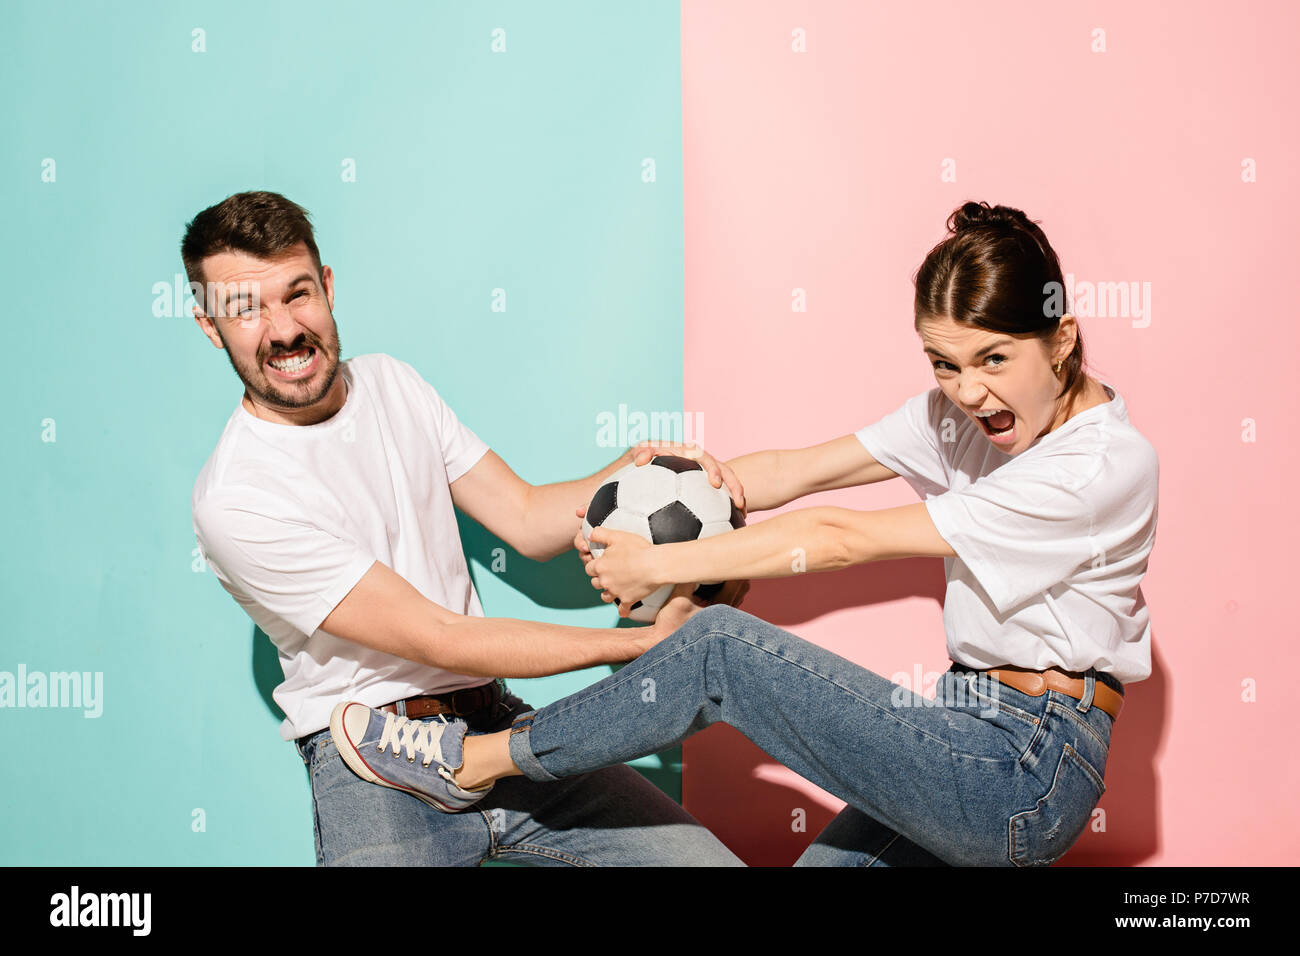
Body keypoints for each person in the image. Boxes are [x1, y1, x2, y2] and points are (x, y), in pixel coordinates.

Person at [331, 200, 1159, 866]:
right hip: (956, 733)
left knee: (719, 646)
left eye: (994, 358)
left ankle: (470, 762)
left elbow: (842, 537)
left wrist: (663, 559)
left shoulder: (1097, 467)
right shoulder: (960, 416)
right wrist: (696, 476)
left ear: (1062, 338)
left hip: (1023, 771)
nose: (970, 392)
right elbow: (800, 473)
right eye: (944, 362)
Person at [185, 190, 750, 866]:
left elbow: (527, 517)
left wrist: (642, 474)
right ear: (210, 326)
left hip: (493, 724)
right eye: (246, 310)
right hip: (374, 762)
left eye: (297, 293)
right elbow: (441, 635)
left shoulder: (393, 384)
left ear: (328, 287)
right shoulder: (237, 497)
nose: (281, 330)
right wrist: (644, 647)